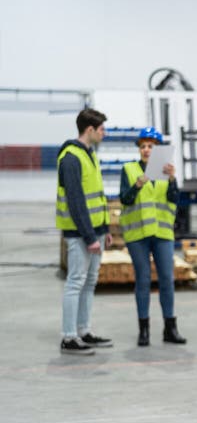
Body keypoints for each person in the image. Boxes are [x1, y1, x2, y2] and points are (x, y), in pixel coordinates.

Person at [119, 127, 186, 346]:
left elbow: (174, 199)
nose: (147, 150)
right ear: (139, 149)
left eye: (151, 146)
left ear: (158, 150)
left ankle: (170, 328)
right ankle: (144, 330)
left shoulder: (167, 173)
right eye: (143, 146)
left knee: (167, 279)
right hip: (138, 235)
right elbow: (125, 200)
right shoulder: (129, 169)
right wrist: (137, 185)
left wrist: (173, 179)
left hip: (162, 233)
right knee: (143, 281)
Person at [56, 108, 114, 355]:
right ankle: (69, 337)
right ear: (89, 130)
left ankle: (83, 330)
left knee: (89, 283)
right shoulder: (71, 158)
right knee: (75, 282)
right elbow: (76, 201)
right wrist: (90, 237)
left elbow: (97, 196)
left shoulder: (90, 154)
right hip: (80, 234)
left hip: (96, 230)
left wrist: (105, 229)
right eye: (101, 129)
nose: (105, 133)